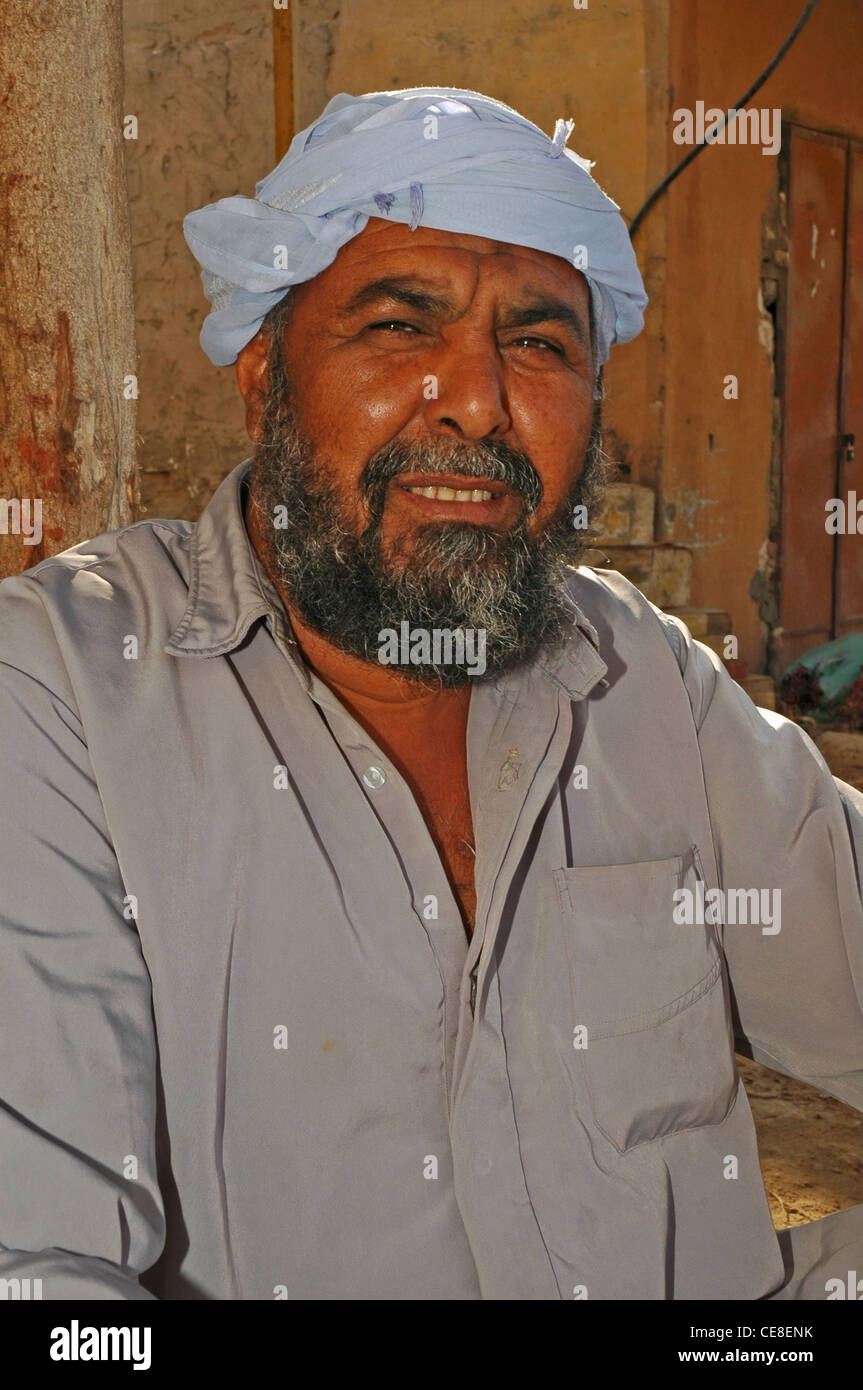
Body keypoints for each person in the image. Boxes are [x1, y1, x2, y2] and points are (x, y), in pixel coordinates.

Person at [1, 87, 861, 1302]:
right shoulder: (64, 691)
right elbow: (37, 1275)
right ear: (262, 376)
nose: (474, 399)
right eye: (401, 327)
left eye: (538, 343)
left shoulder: (640, 680)